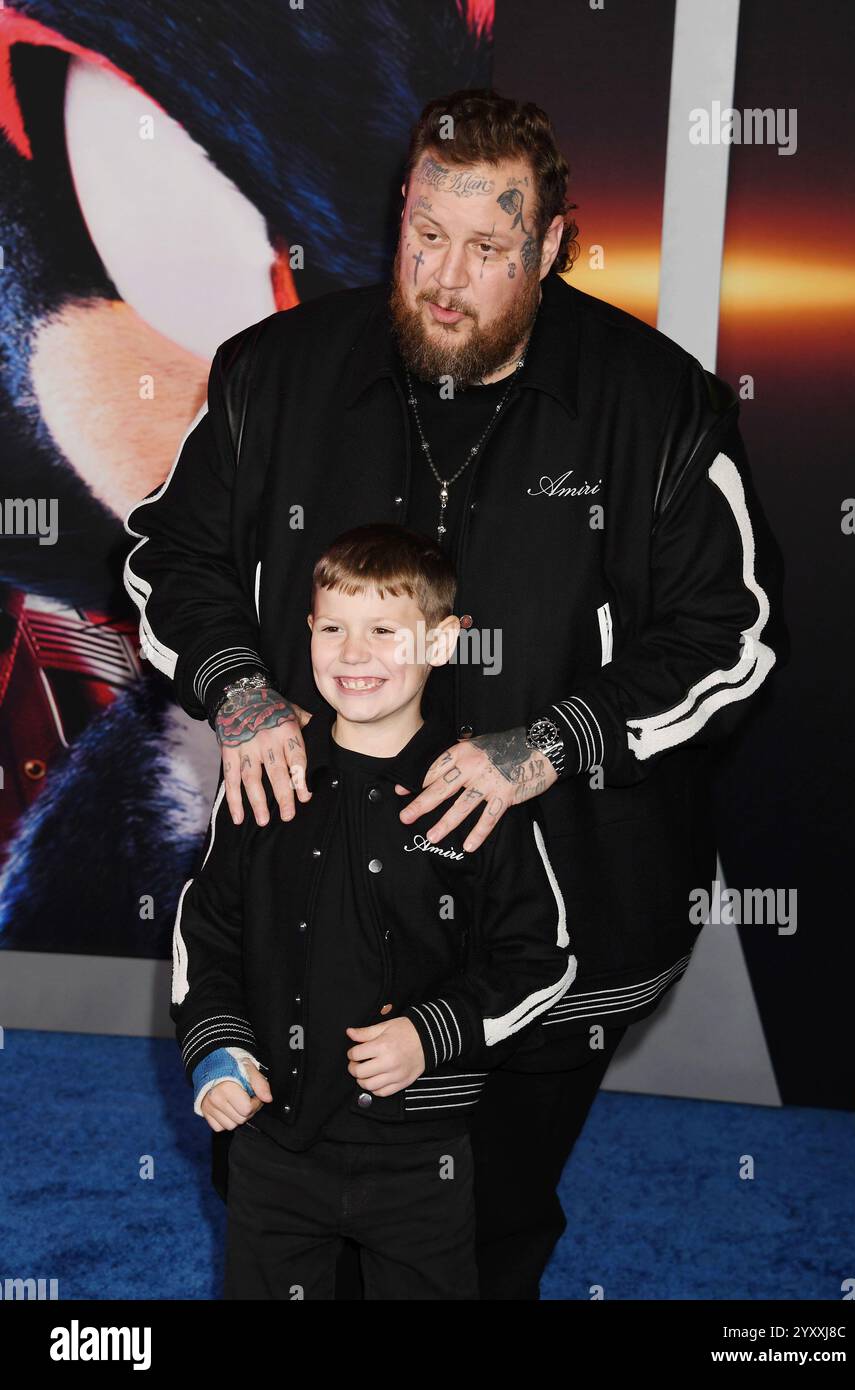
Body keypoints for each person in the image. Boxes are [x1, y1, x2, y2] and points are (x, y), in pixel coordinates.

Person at [123, 88, 787, 1299]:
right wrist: (240, 694)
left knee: (478, 1237)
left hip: (554, 926)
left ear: (550, 248)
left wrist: (547, 742)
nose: (444, 275)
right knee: (275, 1222)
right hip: (297, 921)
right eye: (423, 235)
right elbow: (172, 560)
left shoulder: (655, 403)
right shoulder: (271, 374)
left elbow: (729, 635)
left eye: (488, 248)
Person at [175, 523, 576, 1299]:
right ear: (309, 633)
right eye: (334, 628)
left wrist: (433, 1033)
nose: (353, 656)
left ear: (446, 642)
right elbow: (208, 932)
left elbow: (543, 959)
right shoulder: (264, 774)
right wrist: (217, 1048)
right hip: (272, 1141)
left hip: (420, 1156)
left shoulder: (480, 790)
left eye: (384, 631)